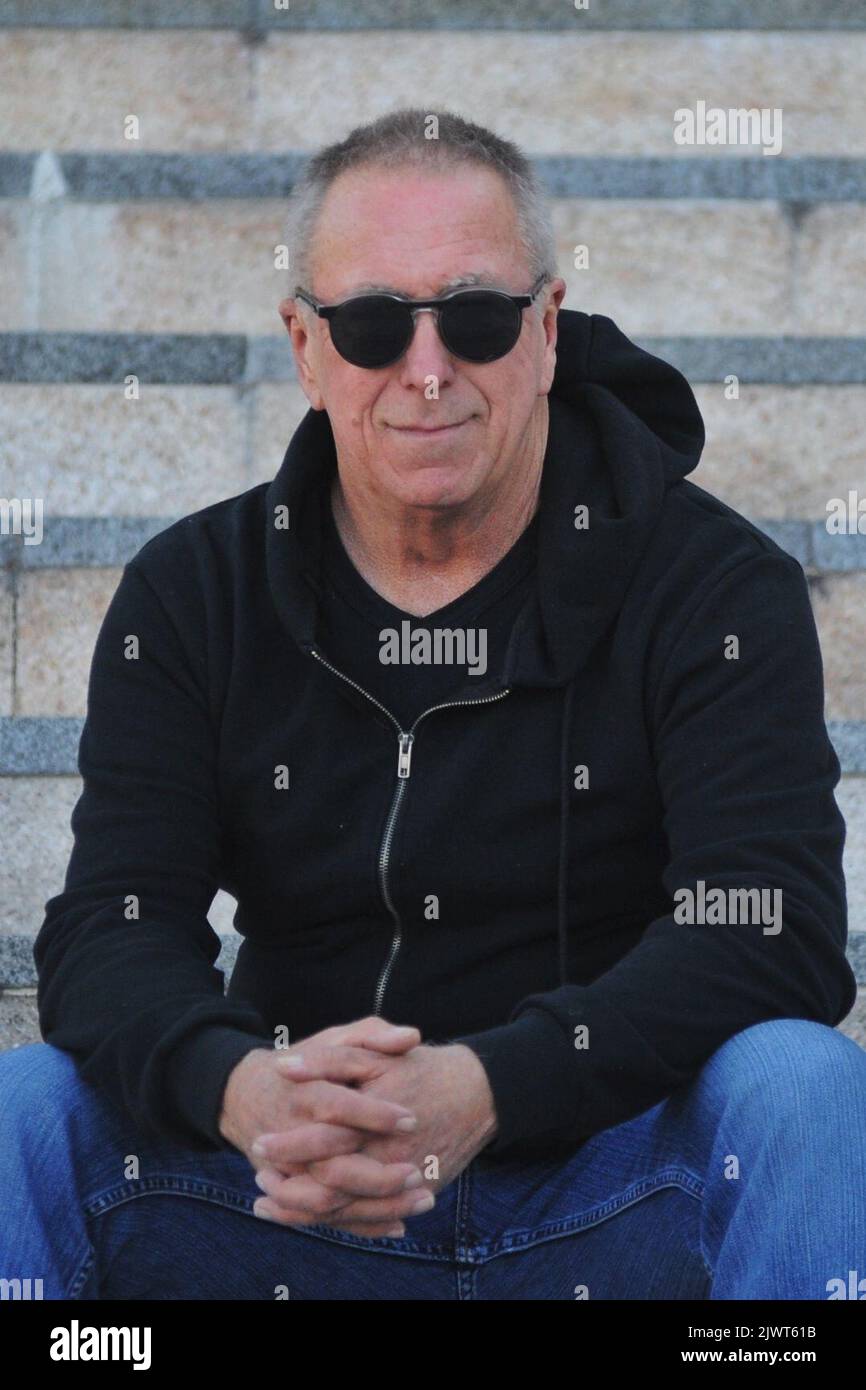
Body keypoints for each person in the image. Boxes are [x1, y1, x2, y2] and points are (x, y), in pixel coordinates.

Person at [1, 109, 864, 1301]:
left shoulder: (712, 587)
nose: (424, 369)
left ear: (547, 329)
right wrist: (245, 1090)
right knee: (25, 1109)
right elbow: (110, 925)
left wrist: (493, 1085)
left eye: (474, 315)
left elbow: (772, 925)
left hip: (615, 1193)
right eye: (368, 325)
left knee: (801, 1087)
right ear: (303, 346)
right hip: (286, 1200)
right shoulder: (192, 590)